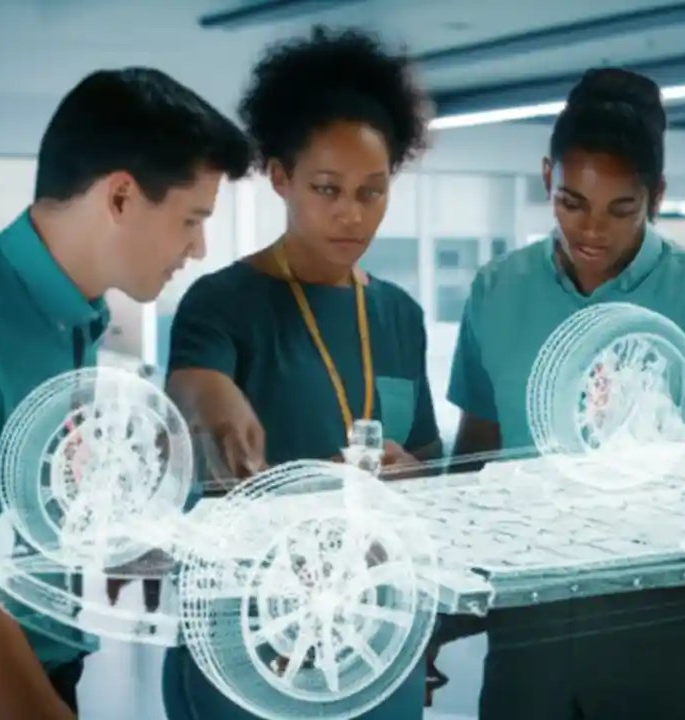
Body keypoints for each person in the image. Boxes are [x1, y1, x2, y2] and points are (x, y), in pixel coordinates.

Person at [0, 68, 250, 720]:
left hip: (41, 679)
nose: (198, 248)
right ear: (120, 198)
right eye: (191, 220)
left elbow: (58, 518)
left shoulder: (74, 323)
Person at [445, 68, 685, 719]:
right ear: (545, 179)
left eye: (621, 209)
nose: (591, 231)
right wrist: (438, 620)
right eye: (570, 203)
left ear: (657, 195)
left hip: (654, 625)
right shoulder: (497, 291)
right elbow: (474, 462)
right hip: (524, 622)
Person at [162, 27, 440, 720]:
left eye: (372, 192)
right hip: (252, 642)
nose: (352, 213)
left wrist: (416, 478)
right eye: (327, 188)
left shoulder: (399, 315)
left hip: (374, 637)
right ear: (280, 178)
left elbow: (435, 470)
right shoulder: (224, 303)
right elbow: (195, 397)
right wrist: (208, 401)